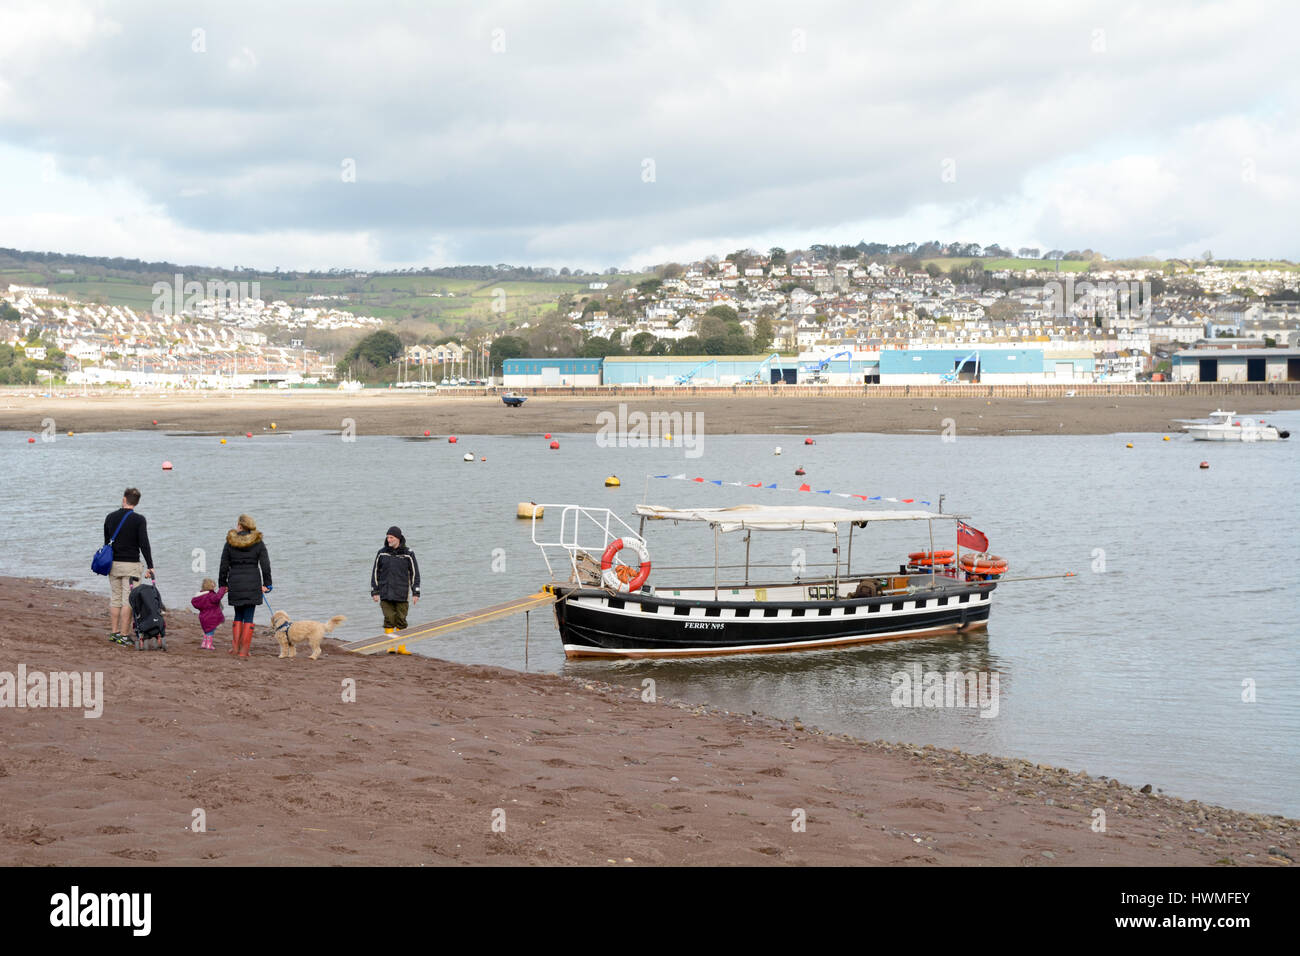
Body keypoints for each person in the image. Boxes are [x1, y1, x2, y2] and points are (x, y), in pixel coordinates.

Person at [105, 487, 155, 646]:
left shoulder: (110, 517)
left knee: (115, 598)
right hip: (131, 565)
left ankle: (114, 632)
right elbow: (144, 544)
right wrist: (150, 565)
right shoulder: (139, 520)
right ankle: (124, 635)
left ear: (124, 499)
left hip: (113, 564)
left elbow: (106, 543)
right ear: (137, 503)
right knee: (129, 600)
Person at [218, 514, 271, 660]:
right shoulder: (258, 542)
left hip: (235, 581)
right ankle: (244, 651)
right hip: (253, 582)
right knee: (249, 616)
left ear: (240, 526)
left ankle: (235, 648)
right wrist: (267, 584)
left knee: (238, 614)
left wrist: (223, 584)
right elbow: (265, 564)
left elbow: (223, 565)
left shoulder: (230, 542)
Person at [370, 526, 420, 634]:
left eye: (391, 537)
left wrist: (416, 592)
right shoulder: (381, 553)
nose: (389, 540)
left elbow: (415, 574)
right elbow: (375, 572)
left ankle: (401, 647)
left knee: (401, 620)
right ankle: (391, 646)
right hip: (385, 592)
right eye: (388, 537)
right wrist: (374, 591)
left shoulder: (408, 553)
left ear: (398, 538)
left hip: (402, 593)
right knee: (389, 619)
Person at [127, 574, 166, 651]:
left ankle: (141, 640)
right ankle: (159, 638)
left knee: (138, 616)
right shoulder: (152, 590)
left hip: (142, 622)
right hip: (155, 620)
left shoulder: (136, 595)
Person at [191, 578, 228, 650]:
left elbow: (195, 603)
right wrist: (222, 589)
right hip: (211, 617)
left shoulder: (200, 596)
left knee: (207, 631)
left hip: (203, 617)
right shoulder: (209, 595)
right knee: (210, 632)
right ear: (210, 586)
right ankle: (209, 645)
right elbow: (217, 598)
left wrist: (222, 592)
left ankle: (204, 644)